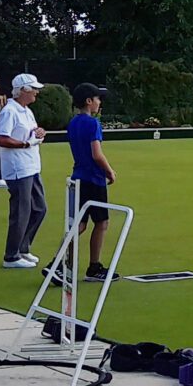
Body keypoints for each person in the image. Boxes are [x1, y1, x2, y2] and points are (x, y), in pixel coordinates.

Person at [0, 73, 47, 269]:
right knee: (21, 212)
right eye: (34, 89)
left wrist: (38, 133)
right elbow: (1, 139)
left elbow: (31, 133)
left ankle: (23, 248)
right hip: (17, 168)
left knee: (39, 208)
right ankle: (11, 256)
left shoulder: (27, 111)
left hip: (31, 165)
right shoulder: (10, 111)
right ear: (23, 90)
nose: (36, 92)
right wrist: (25, 143)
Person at [67, 84, 118, 280]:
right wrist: (109, 171)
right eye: (97, 99)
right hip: (94, 179)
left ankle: (61, 264)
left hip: (78, 176)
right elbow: (97, 154)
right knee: (101, 222)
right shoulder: (93, 123)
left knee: (79, 225)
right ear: (89, 101)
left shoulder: (73, 122)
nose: (99, 103)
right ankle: (93, 267)